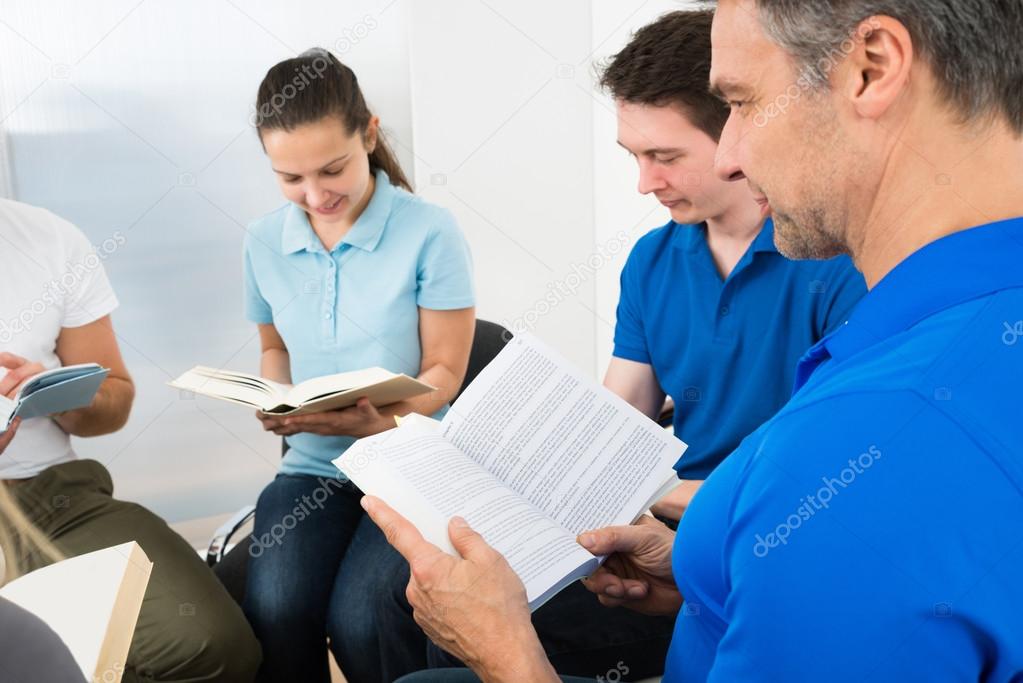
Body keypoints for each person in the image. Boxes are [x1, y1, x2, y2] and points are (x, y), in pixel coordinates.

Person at [366, 0, 1023, 680]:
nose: (732, 154)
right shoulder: (943, 345)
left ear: (871, 68)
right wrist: (698, 579)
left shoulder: (863, 441)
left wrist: (506, 655)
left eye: (741, 101)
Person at [241, 48, 476, 683]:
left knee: (363, 618)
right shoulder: (263, 241)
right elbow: (275, 347)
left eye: (333, 169)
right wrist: (277, 395)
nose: (315, 195)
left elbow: (444, 375)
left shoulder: (430, 231)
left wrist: (380, 422)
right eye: (290, 179)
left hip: (409, 461)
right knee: (276, 605)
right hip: (314, 463)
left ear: (368, 133)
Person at [0, 199, 261, 682]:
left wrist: (53, 392)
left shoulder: (50, 240)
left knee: (211, 643)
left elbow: (114, 399)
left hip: (54, 501)